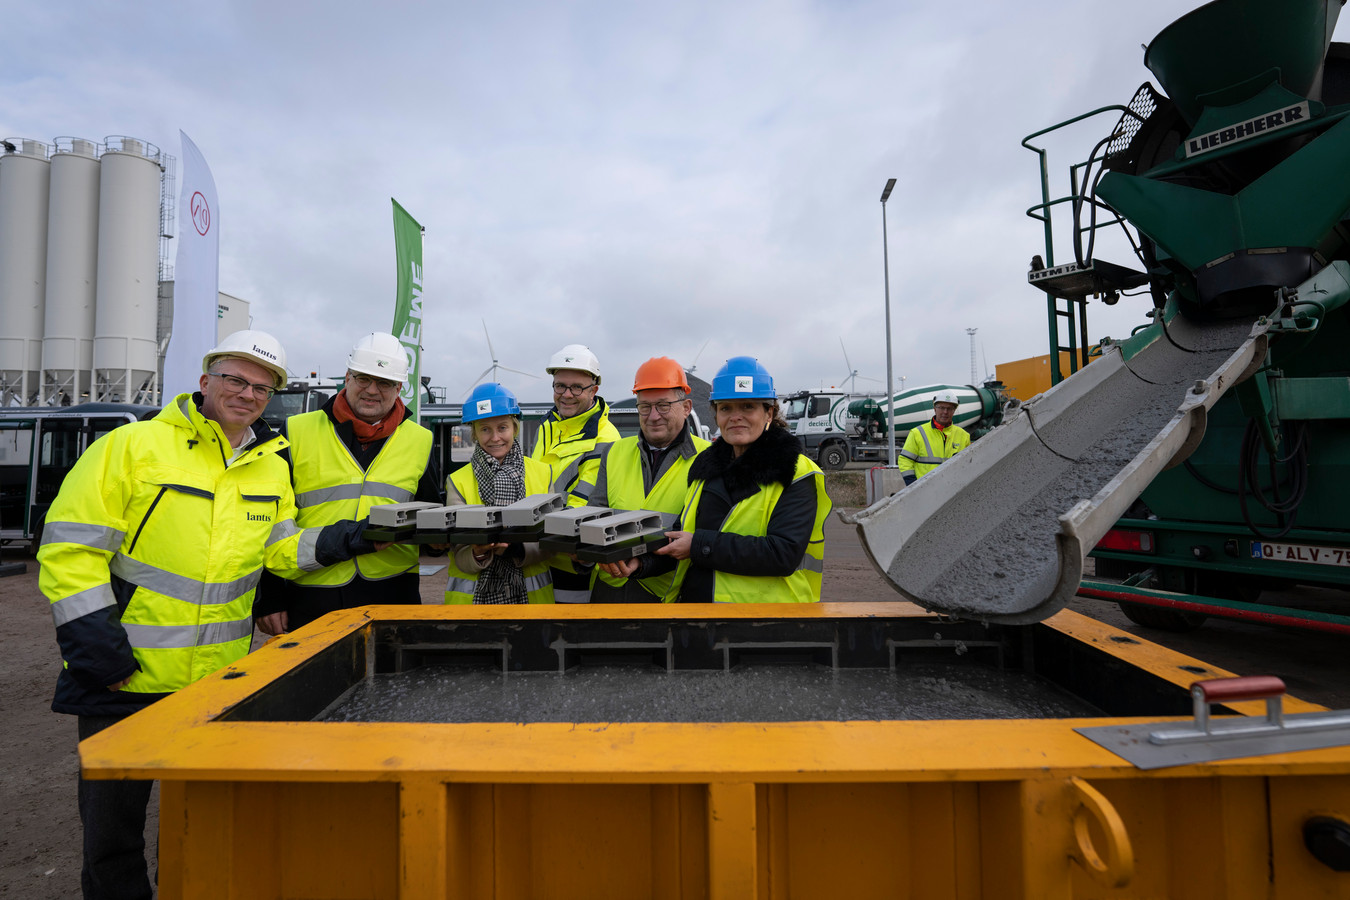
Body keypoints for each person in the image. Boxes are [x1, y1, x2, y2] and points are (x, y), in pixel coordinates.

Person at [38, 330, 369, 900]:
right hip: (124, 676)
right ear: (205, 381)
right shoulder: (133, 447)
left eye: (261, 387)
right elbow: (71, 549)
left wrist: (355, 536)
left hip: (217, 683)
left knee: (198, 824)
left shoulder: (270, 467)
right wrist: (96, 646)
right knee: (112, 833)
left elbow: (280, 551)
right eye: (236, 379)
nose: (247, 394)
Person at [253, 332, 441, 635]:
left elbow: (431, 516)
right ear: (347, 376)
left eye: (384, 382)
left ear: (399, 388)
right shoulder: (297, 430)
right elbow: (270, 522)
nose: (371, 390)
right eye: (363, 378)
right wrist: (270, 597)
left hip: (393, 592)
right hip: (312, 590)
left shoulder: (420, 439)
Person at [601, 356, 830, 603]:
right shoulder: (706, 468)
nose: (735, 416)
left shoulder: (795, 471)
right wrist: (642, 564)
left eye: (748, 407)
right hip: (700, 615)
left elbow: (783, 554)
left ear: (769, 413)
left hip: (766, 623)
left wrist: (699, 545)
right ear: (716, 415)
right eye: (726, 408)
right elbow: (682, 538)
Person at [580, 357, 709, 602]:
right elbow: (594, 514)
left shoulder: (708, 458)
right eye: (645, 406)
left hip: (669, 593)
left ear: (686, 406)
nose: (653, 416)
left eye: (663, 405)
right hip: (609, 586)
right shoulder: (614, 451)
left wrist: (642, 563)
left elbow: (703, 535)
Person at [444, 383, 558, 603]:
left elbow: (553, 541)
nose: (495, 437)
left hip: (532, 604)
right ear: (474, 433)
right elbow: (457, 550)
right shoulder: (457, 481)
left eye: (502, 427)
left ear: (514, 428)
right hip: (472, 606)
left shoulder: (544, 473)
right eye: (485, 429)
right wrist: (477, 552)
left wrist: (519, 549)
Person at [529, 343, 621, 602]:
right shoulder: (547, 427)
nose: (566, 394)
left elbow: (584, 505)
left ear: (594, 390)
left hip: (571, 559)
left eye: (577, 387)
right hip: (537, 554)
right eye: (560, 385)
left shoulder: (604, 438)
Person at [896, 389, 970, 485]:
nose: (945, 412)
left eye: (949, 408)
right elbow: (905, 460)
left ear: (954, 411)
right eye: (941, 407)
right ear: (935, 408)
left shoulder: (964, 436)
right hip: (924, 490)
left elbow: (968, 463)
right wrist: (912, 485)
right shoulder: (917, 433)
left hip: (953, 489)